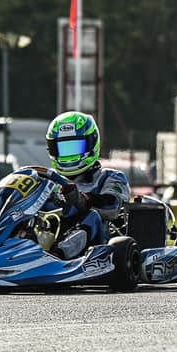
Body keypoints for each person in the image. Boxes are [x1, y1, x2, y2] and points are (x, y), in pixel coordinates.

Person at [29, 111, 131, 260]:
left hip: (96, 246)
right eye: (63, 149)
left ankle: (57, 255)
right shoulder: (46, 179)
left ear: (92, 143)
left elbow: (112, 207)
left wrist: (82, 199)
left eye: (74, 147)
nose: (68, 155)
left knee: (92, 215)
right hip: (50, 234)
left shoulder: (109, 177)